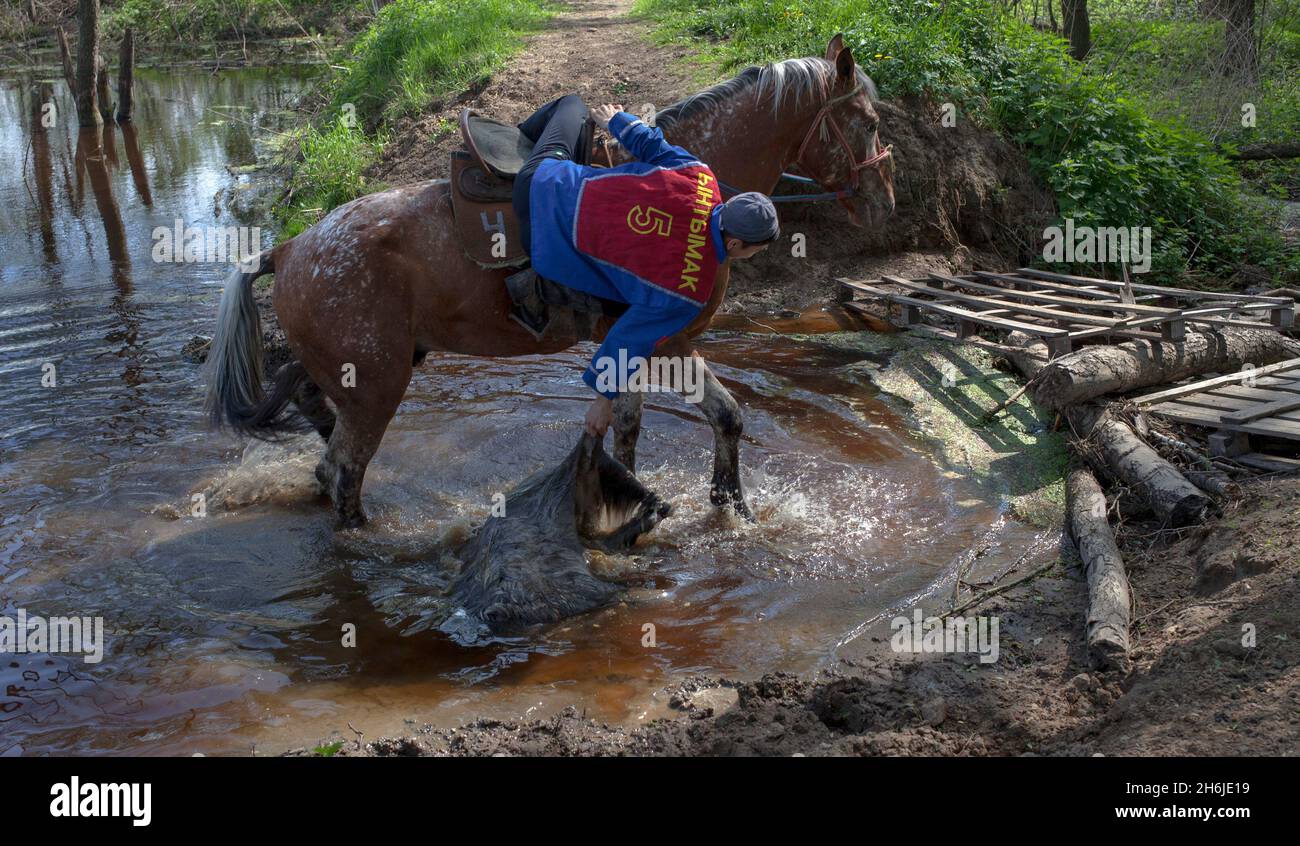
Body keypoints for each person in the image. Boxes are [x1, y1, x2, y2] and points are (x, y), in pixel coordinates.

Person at [510, 94, 779, 438]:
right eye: (756, 251)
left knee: (572, 105)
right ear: (735, 244)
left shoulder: (700, 175)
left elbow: (652, 143)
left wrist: (615, 120)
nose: (753, 256)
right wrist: (602, 401)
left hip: (542, 180)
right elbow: (628, 338)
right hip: (541, 242)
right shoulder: (688, 291)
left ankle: (513, 139)